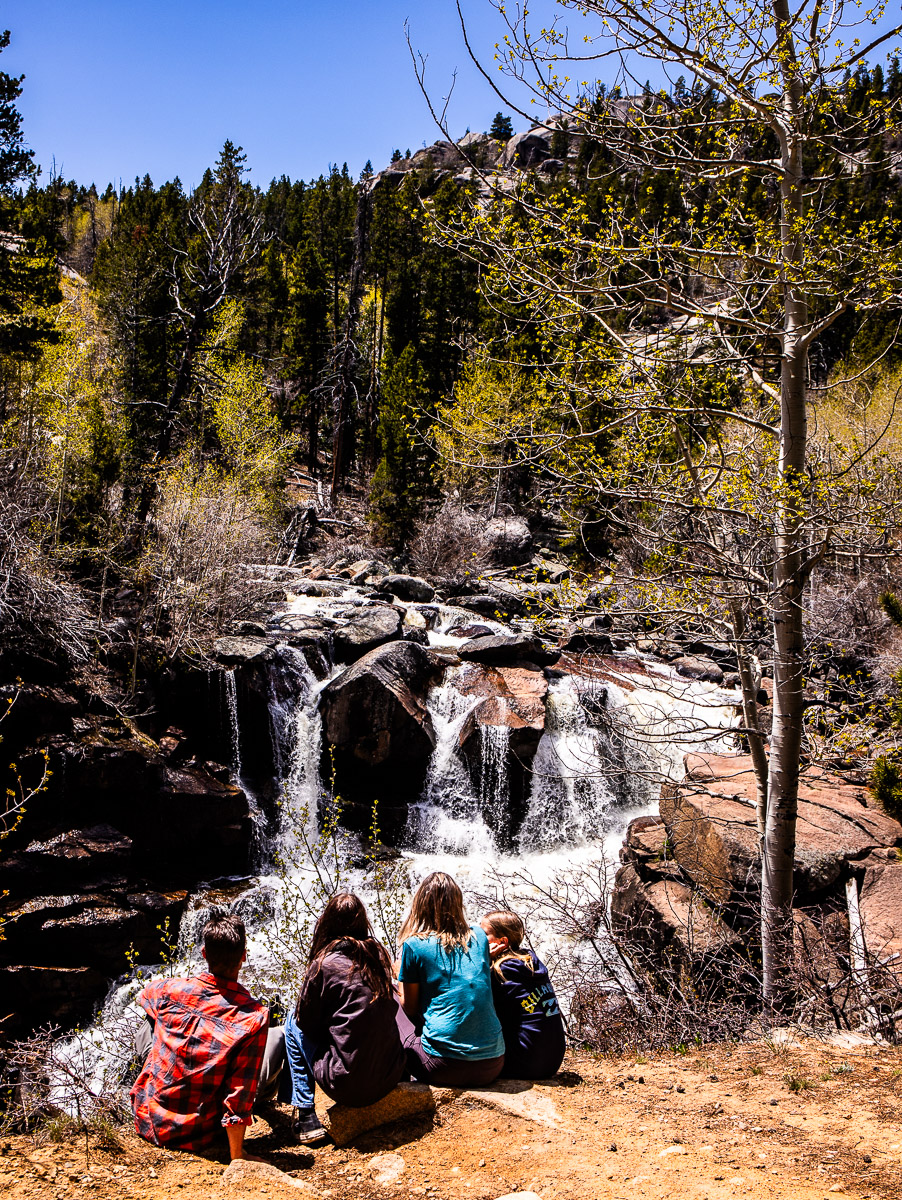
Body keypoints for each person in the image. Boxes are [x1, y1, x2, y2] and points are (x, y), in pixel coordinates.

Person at [131, 909, 284, 1160]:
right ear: (243, 956)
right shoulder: (253, 1016)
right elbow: (240, 1090)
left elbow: (144, 995)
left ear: (204, 954)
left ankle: (161, 1085)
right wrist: (238, 1157)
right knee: (278, 1035)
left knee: (151, 1019)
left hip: (149, 1119)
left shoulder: (171, 990)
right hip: (197, 1133)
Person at [285, 894, 409, 1140]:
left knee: (291, 1022)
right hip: (390, 1075)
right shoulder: (378, 955)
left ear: (327, 923)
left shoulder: (324, 965)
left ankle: (307, 1115)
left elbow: (305, 1023)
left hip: (348, 1086)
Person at [396, 871, 504, 1086]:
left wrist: (397, 974)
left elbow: (409, 1008)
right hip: (493, 1064)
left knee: (391, 995)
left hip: (444, 1068)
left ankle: (396, 1083)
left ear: (420, 903)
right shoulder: (479, 935)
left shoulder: (414, 945)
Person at [480, 910, 566, 1080]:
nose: (477, 940)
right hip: (552, 1061)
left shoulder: (501, 971)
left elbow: (474, 1005)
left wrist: (482, 961)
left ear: (502, 942)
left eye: (483, 935)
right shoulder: (530, 961)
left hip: (525, 1063)